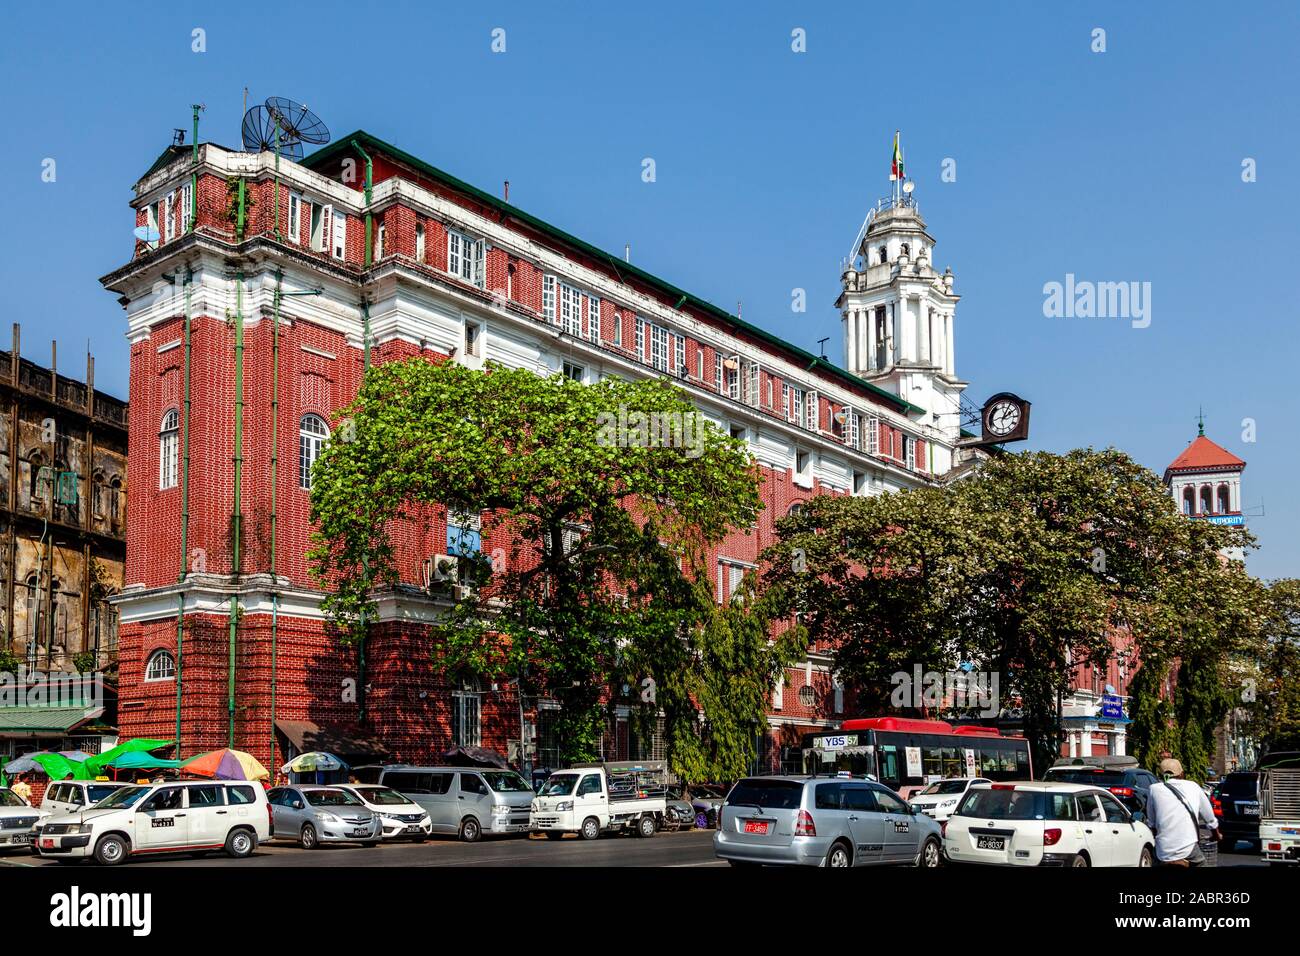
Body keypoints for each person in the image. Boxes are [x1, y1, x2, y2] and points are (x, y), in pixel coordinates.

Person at [1146, 757, 1218, 867]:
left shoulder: (1154, 789)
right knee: (1202, 863)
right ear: (1182, 774)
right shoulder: (1193, 786)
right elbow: (1210, 818)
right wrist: (1216, 834)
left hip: (1163, 850)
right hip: (1188, 849)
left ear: (1160, 775)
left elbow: (1151, 822)